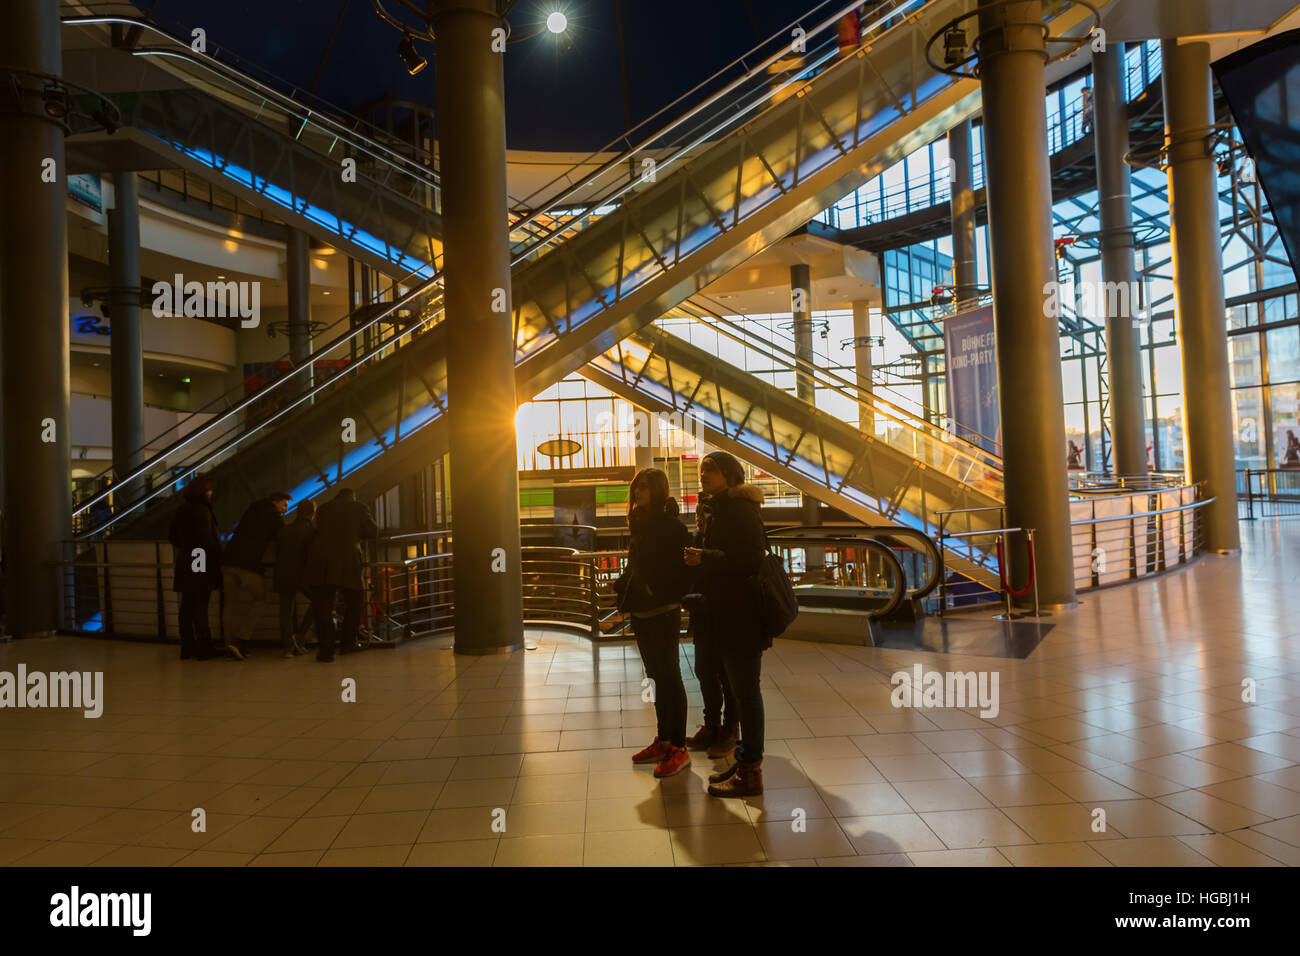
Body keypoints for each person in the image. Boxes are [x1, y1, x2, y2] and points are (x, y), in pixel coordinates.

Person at [684, 451, 770, 798]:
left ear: (730, 474)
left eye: (712, 470)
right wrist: (703, 540)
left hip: (741, 614)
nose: (704, 475)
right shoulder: (718, 509)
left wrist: (706, 556)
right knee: (738, 687)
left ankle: (751, 771)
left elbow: (750, 558)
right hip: (725, 611)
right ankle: (745, 762)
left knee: (746, 693)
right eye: (702, 469)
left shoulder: (739, 509)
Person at [618, 468, 692, 778]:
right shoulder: (639, 522)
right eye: (636, 488)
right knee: (657, 677)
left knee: (670, 675)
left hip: (663, 610)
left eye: (644, 488)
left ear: (658, 489)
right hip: (642, 611)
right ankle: (663, 740)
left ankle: (679, 747)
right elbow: (636, 565)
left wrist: (654, 590)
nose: (638, 493)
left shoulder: (670, 526)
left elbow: (678, 570)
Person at [684, 493, 740, 761]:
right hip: (704, 616)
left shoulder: (723, 540)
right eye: (696, 515)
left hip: (726, 615)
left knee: (727, 675)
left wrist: (704, 560)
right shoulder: (696, 541)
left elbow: (731, 568)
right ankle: (712, 724)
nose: (698, 520)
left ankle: (730, 729)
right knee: (705, 671)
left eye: (702, 515)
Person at [304, 487, 378, 662]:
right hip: (348, 562)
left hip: (321, 562)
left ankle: (326, 651)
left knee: (323, 608)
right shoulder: (358, 507)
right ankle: (347, 644)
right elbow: (372, 531)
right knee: (355, 602)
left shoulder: (323, 508)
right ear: (352, 497)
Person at [221, 491, 291, 659]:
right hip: (248, 564)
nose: (285, 510)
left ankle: (228, 644)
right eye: (284, 505)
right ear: (275, 502)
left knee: (230, 605)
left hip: (228, 561)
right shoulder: (274, 516)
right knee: (261, 600)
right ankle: (240, 641)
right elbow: (283, 537)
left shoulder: (251, 510)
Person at [168, 477, 221, 660]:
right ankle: (204, 647)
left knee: (187, 606)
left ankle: (187, 646)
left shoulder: (181, 510)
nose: (211, 493)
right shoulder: (203, 510)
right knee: (200, 606)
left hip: (186, 561)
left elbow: (173, 537)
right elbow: (205, 539)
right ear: (204, 492)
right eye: (210, 490)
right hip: (199, 561)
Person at [274, 499, 317, 658]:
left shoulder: (285, 530)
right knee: (319, 600)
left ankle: (288, 647)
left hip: (283, 573)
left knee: (285, 612)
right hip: (302, 574)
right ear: (312, 513)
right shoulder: (311, 530)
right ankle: (300, 636)